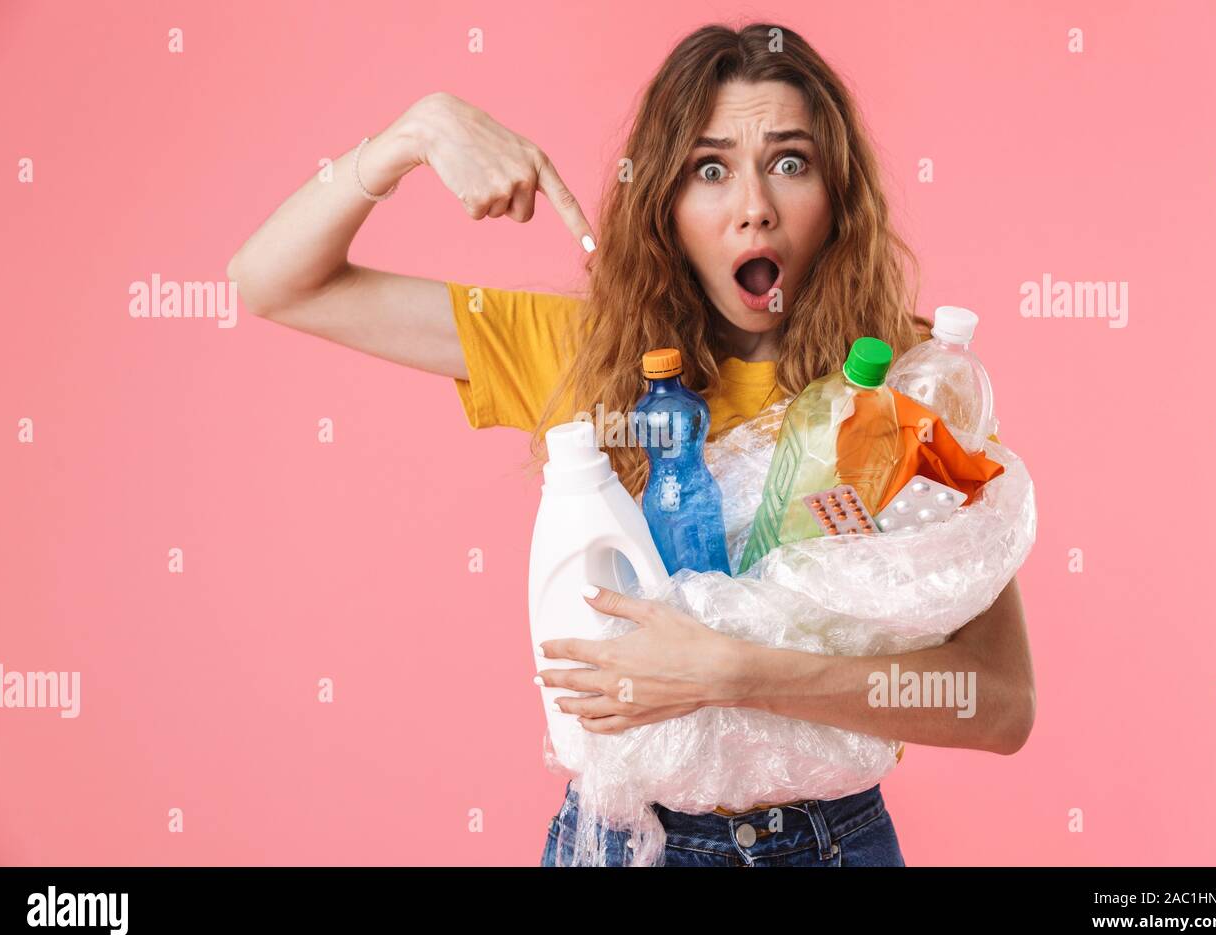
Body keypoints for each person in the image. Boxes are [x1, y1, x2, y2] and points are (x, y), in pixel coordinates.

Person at [227, 21, 1035, 867]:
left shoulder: (910, 392)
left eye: (790, 162)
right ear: (664, 205)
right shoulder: (586, 353)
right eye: (709, 168)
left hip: (829, 842)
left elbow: (1000, 703)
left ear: (840, 198)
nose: (753, 204)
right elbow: (274, 280)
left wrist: (735, 673)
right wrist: (414, 134)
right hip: (629, 841)